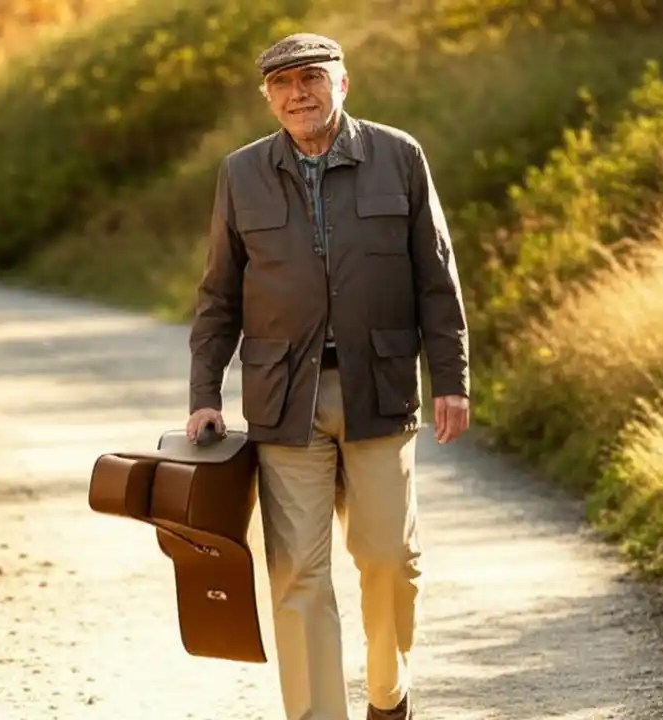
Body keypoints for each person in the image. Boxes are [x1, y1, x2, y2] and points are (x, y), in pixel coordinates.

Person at [184, 32, 470, 720]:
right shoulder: (242, 173)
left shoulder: (398, 156)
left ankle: (387, 694)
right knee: (297, 576)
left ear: (344, 84)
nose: (297, 93)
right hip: (285, 399)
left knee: (389, 562)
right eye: (282, 84)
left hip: (380, 387)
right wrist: (203, 396)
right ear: (269, 98)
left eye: (311, 78)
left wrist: (451, 378)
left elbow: (436, 275)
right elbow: (220, 294)